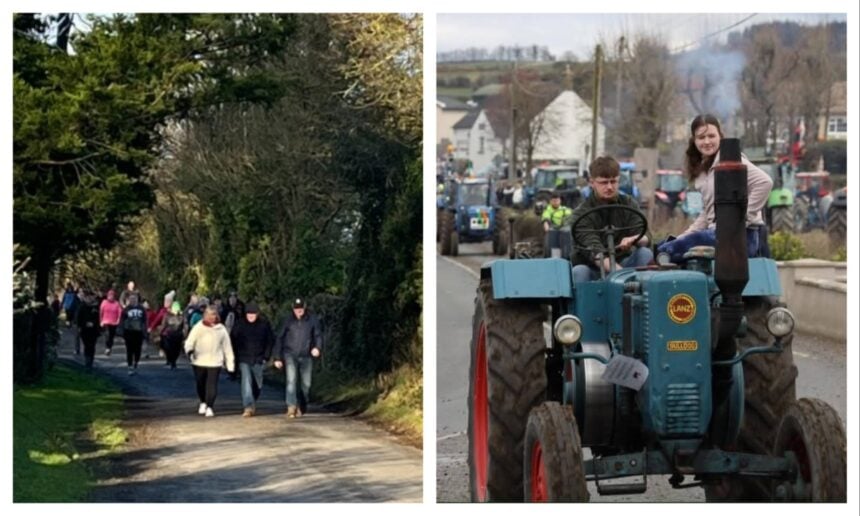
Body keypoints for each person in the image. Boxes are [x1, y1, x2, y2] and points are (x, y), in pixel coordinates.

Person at [656, 114, 773, 262]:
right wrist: (683, 237)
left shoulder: (731, 161)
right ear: (694, 140)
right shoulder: (703, 171)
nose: (707, 141)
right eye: (701, 137)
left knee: (671, 250)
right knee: (663, 246)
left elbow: (765, 183)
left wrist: (739, 220)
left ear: (720, 137)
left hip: (744, 236)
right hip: (717, 233)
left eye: (711, 136)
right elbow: (708, 213)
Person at [570, 156, 653, 283]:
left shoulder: (628, 204)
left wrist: (634, 238)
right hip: (594, 269)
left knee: (644, 253)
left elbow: (646, 236)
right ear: (592, 183)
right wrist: (623, 278)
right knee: (579, 271)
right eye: (604, 182)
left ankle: (643, 292)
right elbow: (595, 252)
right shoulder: (581, 214)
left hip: (624, 263)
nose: (609, 187)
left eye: (613, 182)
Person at [273, 298, 323, 418]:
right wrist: (277, 357)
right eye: (296, 308)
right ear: (293, 309)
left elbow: (318, 335)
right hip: (290, 354)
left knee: (306, 384)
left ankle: (302, 404)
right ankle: (291, 406)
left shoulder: (312, 320)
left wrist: (317, 347)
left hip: (306, 355)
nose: (298, 311)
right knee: (291, 380)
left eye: (300, 308)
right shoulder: (287, 320)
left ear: (304, 308)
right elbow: (279, 338)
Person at [184, 305, 235, 417]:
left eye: (213, 315)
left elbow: (227, 347)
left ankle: (210, 406)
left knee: (212, 385)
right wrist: (190, 351)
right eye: (209, 315)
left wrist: (230, 363)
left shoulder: (221, 329)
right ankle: (203, 401)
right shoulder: (198, 327)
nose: (211, 317)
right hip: (199, 361)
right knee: (201, 383)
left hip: (215, 361)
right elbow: (189, 342)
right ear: (205, 315)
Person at [230, 302, 275, 417]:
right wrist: (234, 356)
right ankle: (248, 406)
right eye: (249, 314)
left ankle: (252, 400)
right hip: (244, 358)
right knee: (246, 381)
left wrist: (266, 356)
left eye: (253, 314)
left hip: (259, 358)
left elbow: (270, 340)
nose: (251, 316)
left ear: (257, 314)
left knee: (258, 384)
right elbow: (232, 340)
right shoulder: (239, 325)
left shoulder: (264, 325)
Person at [119, 295, 147, 375]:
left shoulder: (141, 309)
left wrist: (145, 332)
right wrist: (121, 332)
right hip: (129, 332)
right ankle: (130, 365)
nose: (133, 301)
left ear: (137, 300)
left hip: (139, 332)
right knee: (129, 350)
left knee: (138, 349)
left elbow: (144, 321)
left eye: (134, 299)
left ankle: (136, 362)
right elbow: (122, 320)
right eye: (131, 299)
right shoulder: (126, 309)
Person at [76, 290, 101, 369]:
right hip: (85, 329)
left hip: (94, 330)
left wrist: (94, 323)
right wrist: (82, 325)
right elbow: (78, 318)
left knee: (92, 345)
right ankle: (87, 359)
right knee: (87, 345)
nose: (90, 298)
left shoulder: (96, 307)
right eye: (88, 297)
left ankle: (91, 360)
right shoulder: (82, 306)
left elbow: (99, 318)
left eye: (91, 297)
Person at [159, 301, 185, 369]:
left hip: (178, 335)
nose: (176, 311)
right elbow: (164, 325)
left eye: (177, 309)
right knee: (169, 349)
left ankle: (174, 361)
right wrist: (160, 332)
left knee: (177, 350)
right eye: (175, 309)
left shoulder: (181, 316)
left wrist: (185, 335)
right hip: (169, 335)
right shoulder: (167, 316)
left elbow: (184, 326)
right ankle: (171, 361)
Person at [99, 289, 122, 356]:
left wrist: (118, 320)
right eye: (110, 295)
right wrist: (101, 321)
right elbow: (101, 312)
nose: (111, 297)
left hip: (114, 322)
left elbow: (119, 312)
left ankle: (109, 347)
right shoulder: (104, 302)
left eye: (112, 295)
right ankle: (107, 348)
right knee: (107, 334)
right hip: (106, 321)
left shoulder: (116, 303)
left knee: (111, 336)